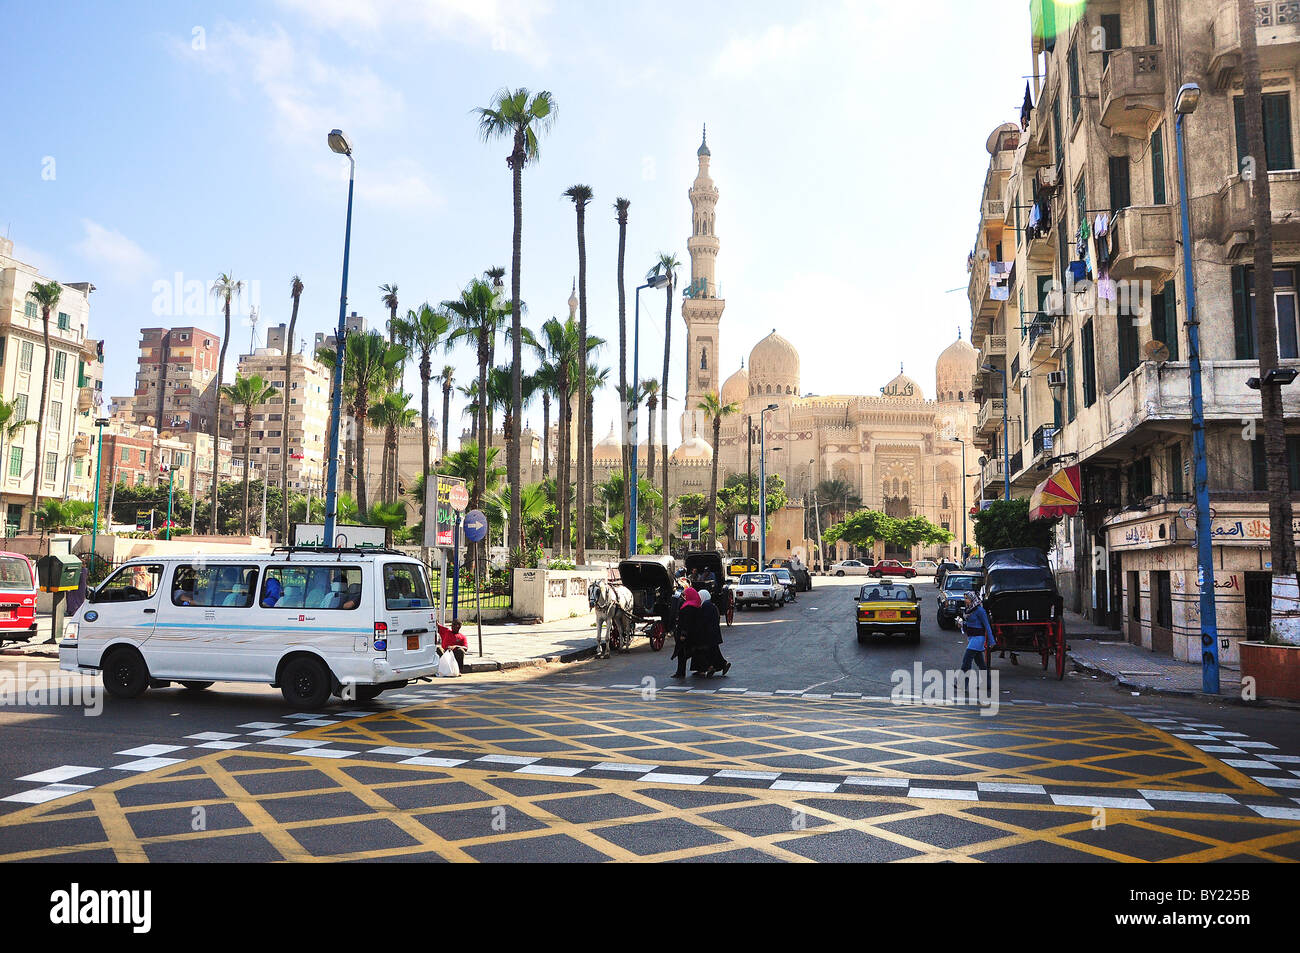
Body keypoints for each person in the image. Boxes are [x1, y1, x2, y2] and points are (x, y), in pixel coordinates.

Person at [688, 588, 730, 678]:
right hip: (712, 633)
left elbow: (703, 620)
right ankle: (719, 665)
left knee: (705, 650)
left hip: (708, 633)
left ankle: (709, 667)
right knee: (713, 651)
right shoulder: (710, 605)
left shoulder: (706, 606)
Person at [959, 590, 995, 677]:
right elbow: (968, 624)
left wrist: (991, 641)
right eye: (965, 598)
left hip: (978, 638)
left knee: (966, 661)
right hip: (972, 637)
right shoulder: (968, 609)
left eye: (967, 598)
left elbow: (987, 626)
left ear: (972, 599)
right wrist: (961, 624)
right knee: (981, 664)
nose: (965, 600)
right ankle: (987, 684)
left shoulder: (980, 610)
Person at [671, 587, 699, 678]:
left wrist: (683, 634)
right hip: (693, 633)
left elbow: (686, 622)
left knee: (682, 653)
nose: (684, 596)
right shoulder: (695, 605)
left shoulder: (688, 607)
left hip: (685, 634)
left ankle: (680, 672)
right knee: (684, 653)